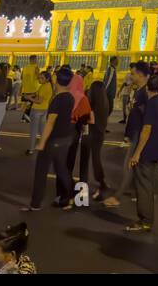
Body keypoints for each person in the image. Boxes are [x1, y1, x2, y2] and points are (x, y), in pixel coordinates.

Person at [25, 66, 77, 211]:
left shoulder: (57, 100)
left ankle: (35, 203)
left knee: (41, 171)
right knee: (61, 170)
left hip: (53, 140)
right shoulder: (70, 97)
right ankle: (73, 195)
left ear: (57, 81)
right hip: (65, 138)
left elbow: (50, 122)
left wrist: (42, 142)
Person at [126, 73, 158, 233]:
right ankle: (148, 219)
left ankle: (145, 220)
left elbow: (146, 129)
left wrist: (137, 153)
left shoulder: (151, 103)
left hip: (148, 150)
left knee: (143, 186)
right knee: (149, 185)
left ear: (147, 88)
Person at [104, 61, 150, 207]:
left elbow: (146, 119)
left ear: (141, 75)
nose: (131, 76)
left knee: (129, 165)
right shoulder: (139, 90)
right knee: (138, 167)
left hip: (139, 134)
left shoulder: (145, 93)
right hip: (135, 132)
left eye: (133, 74)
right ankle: (140, 193)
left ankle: (118, 197)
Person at [79, 78, 110, 199]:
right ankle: (101, 182)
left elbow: (90, 120)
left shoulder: (92, 104)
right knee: (96, 158)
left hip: (90, 133)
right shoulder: (104, 103)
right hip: (99, 133)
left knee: (86, 160)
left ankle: (86, 186)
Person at [25, 67, 52, 153]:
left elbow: (39, 101)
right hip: (44, 109)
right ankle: (44, 146)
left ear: (47, 79)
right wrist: (30, 95)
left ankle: (31, 149)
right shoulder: (47, 85)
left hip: (37, 110)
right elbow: (36, 93)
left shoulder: (45, 87)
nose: (39, 79)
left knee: (33, 130)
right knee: (42, 130)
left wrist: (29, 98)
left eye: (42, 78)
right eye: (39, 77)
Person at [19, 56, 41, 123]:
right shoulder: (36, 67)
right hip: (33, 89)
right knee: (31, 104)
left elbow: (21, 77)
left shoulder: (25, 67)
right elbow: (39, 77)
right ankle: (26, 118)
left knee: (28, 104)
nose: (37, 61)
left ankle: (24, 118)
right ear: (34, 60)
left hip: (25, 89)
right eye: (36, 59)